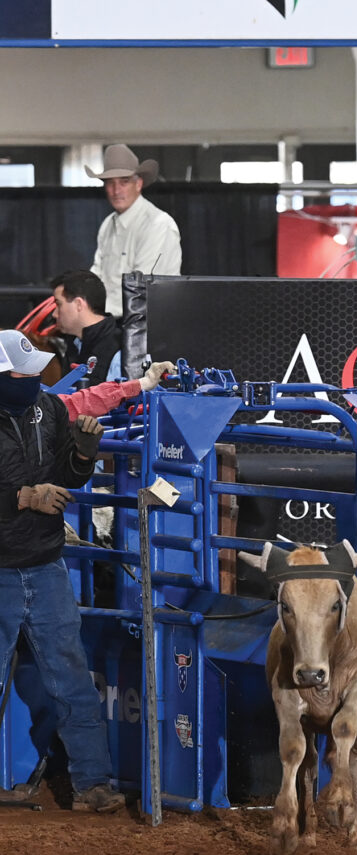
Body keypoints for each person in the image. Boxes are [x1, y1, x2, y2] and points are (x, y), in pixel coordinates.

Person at [0, 329, 124, 811]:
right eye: (22, 373)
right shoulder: (45, 406)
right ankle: (91, 783)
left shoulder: (47, 411)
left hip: (45, 563)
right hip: (10, 567)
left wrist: (82, 454)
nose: (32, 379)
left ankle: (93, 785)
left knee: (72, 677)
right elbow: (33, 491)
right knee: (67, 675)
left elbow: (67, 479)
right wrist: (22, 497)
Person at [87, 144, 182, 318]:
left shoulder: (158, 224)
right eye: (110, 183)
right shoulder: (108, 225)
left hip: (150, 326)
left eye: (124, 181)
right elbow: (97, 276)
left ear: (138, 184)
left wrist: (91, 314)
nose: (116, 190)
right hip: (113, 321)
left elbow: (141, 289)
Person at [50, 269, 122, 387]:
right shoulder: (74, 344)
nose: (54, 314)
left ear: (78, 304)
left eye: (58, 304)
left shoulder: (119, 349)